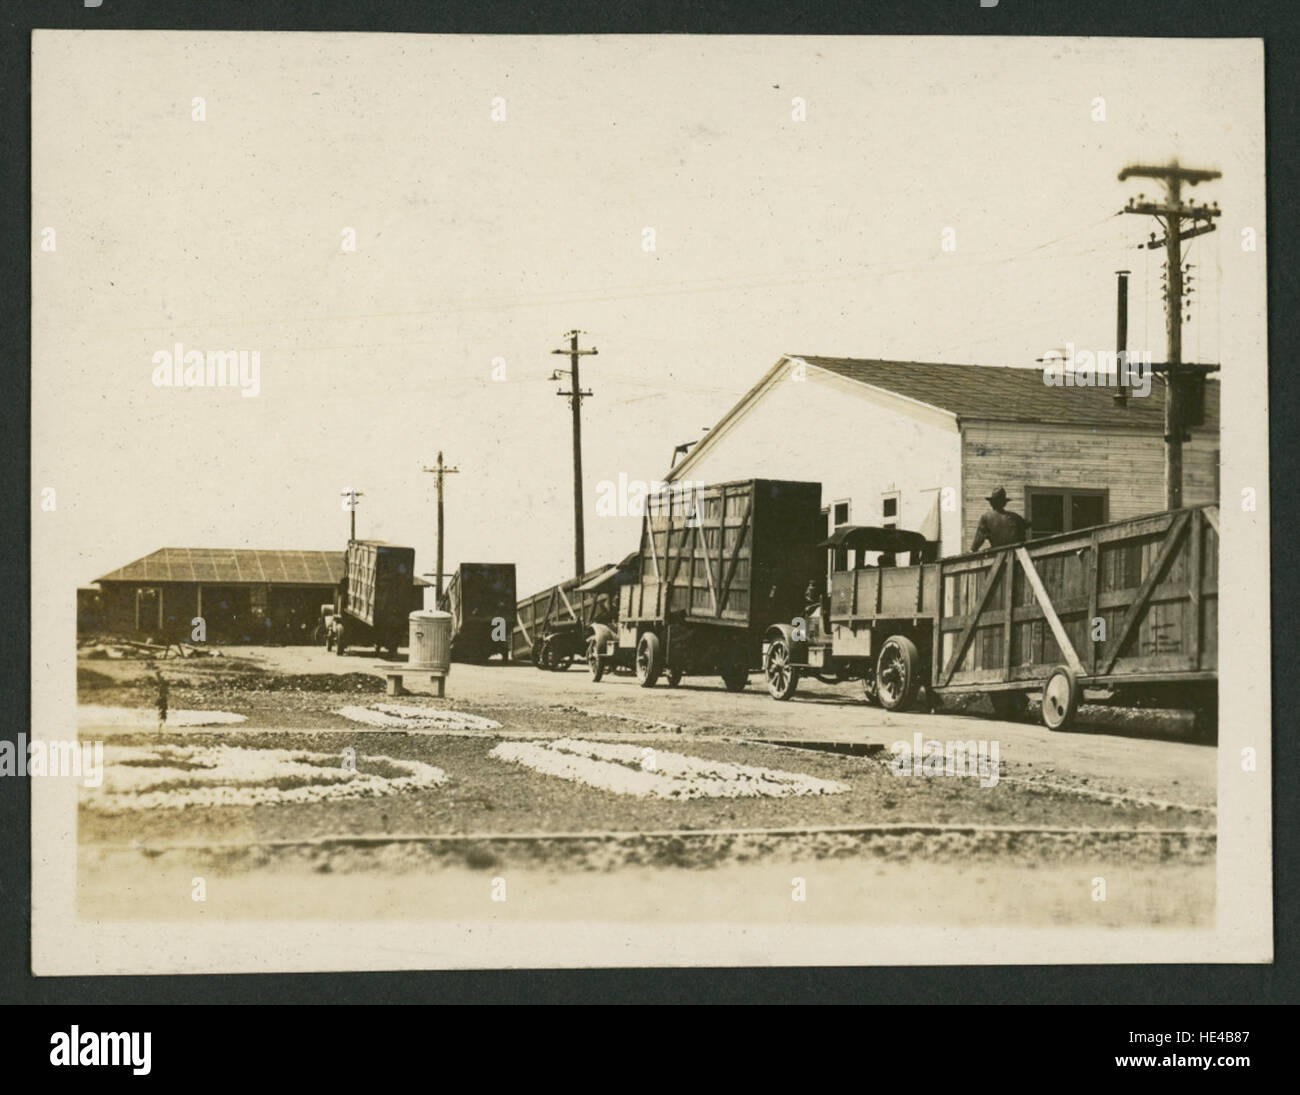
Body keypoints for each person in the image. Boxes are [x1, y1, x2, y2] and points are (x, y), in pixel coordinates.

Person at [970, 486, 1029, 551]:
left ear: (992, 503)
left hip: (997, 556)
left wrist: (972, 551)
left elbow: (978, 541)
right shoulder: (1016, 517)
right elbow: (1023, 539)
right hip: (1016, 556)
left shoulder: (986, 517)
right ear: (1004, 503)